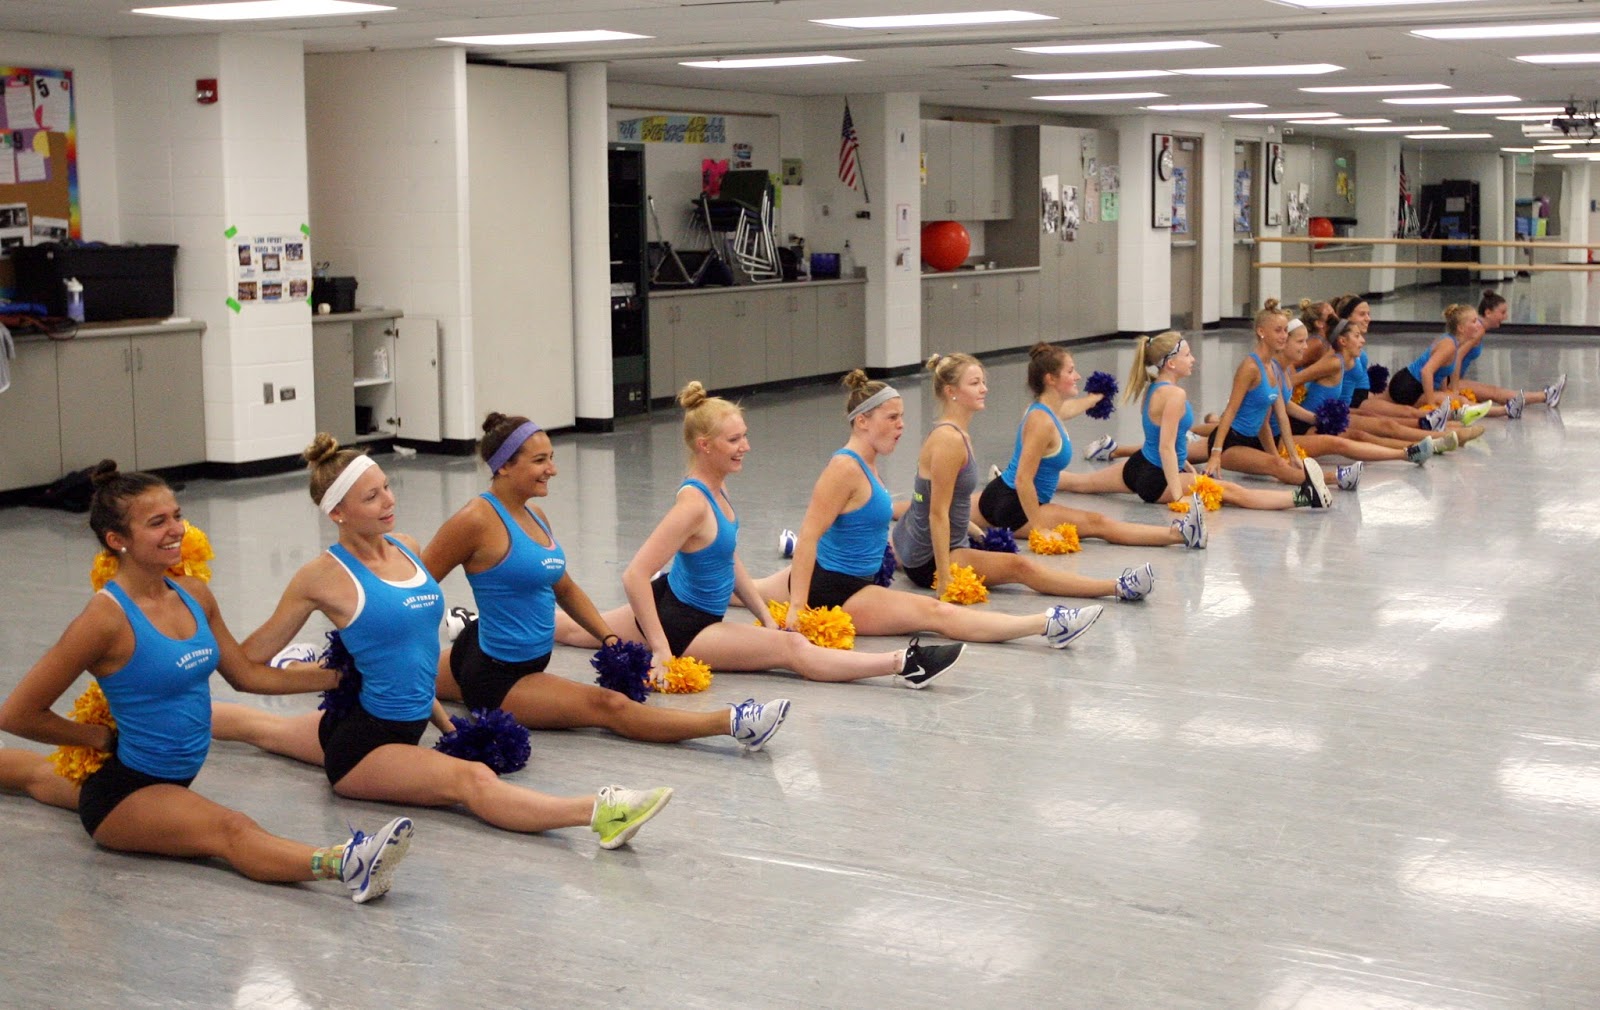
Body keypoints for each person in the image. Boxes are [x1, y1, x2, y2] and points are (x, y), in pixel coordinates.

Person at [212, 435, 673, 850]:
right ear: (337, 512)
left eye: (387, 487)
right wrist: (332, 676)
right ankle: (598, 813)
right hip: (363, 744)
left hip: (401, 718)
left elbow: (416, 658)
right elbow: (247, 668)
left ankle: (145, 720)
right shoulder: (321, 576)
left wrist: (451, 728)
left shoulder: (408, 547)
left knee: (261, 730)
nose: (388, 501)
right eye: (371, 497)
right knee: (471, 781)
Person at [0, 461, 414, 903]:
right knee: (229, 830)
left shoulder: (193, 594)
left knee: (35, 776)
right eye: (157, 522)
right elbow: (17, 714)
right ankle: (346, 864)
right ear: (116, 541)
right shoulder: (104, 620)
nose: (176, 529)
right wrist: (97, 738)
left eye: (177, 515)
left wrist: (341, 677)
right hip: (127, 790)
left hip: (170, 775)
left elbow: (246, 674)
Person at [556, 382, 967, 689]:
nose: (746, 447)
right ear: (705, 446)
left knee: (574, 630)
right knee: (792, 652)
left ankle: (488, 622)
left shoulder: (718, 490)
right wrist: (662, 648)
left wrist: (767, 614)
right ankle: (902, 663)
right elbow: (634, 575)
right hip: (688, 626)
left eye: (744, 436)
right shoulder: (693, 505)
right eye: (734, 440)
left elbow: (727, 559)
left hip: (678, 602)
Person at [422, 412, 789, 751]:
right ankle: (733, 723)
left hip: (489, 652)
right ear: (503, 466)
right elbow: (416, 589)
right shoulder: (474, 520)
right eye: (540, 461)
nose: (552, 469)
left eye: (551, 457)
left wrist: (609, 638)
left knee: (397, 692)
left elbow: (564, 587)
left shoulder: (535, 514)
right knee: (608, 706)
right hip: (499, 675)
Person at [747, 370, 1104, 650]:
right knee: (937, 614)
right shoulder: (844, 468)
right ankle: (1047, 624)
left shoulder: (867, 463)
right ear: (862, 421)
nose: (901, 425)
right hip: (839, 589)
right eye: (892, 418)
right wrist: (797, 606)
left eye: (901, 417)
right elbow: (809, 534)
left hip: (843, 574)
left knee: (738, 589)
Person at [890, 353, 1156, 603]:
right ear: (951, 392)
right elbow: (937, 513)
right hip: (933, 558)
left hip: (920, 543)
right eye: (974, 383)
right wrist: (945, 576)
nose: (984, 389)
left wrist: (974, 531)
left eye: (983, 382)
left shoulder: (957, 434)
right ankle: (1117, 587)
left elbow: (943, 505)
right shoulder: (949, 440)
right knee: (1021, 567)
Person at [972, 343, 1205, 549]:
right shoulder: (1041, 421)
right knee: (1099, 523)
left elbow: (1069, 409)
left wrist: (1094, 399)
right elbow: (1023, 478)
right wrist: (1039, 528)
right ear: (1050, 379)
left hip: (1001, 495)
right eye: (1070, 371)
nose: (1077, 376)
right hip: (1018, 506)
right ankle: (1180, 534)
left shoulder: (1047, 409)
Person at [1069, 332, 1315, 510]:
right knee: (1232, 492)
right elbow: (1165, 446)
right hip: (1159, 478)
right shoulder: (1175, 394)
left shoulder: (1154, 387)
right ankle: (1303, 497)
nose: (1193, 359)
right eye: (1187, 355)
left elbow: (1161, 438)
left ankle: (1036, 476)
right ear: (1172, 362)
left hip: (1139, 464)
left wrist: (1183, 461)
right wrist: (1177, 494)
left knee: (1082, 483)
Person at [1208, 301, 1336, 499]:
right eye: (1278, 330)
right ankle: (1334, 478)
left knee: (1280, 463)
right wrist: (1215, 453)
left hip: (1252, 440)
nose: (1284, 335)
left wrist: (1291, 455)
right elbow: (1231, 410)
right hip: (1231, 443)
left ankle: (1320, 479)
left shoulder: (1273, 367)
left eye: (1285, 330)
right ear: (1261, 332)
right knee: (1276, 466)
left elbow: (1278, 417)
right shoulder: (1250, 367)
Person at [1454, 292, 1565, 418]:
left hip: (1450, 378)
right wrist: (1454, 386)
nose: (1506, 317)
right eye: (1502, 313)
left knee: (1493, 392)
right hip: (1447, 380)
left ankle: (1545, 396)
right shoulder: (1477, 329)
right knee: (1494, 392)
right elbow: (1457, 356)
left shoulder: (1478, 328)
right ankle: (1545, 396)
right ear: (1488, 312)